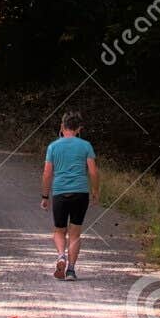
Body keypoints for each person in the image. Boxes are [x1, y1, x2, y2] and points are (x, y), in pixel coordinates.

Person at [40, 111, 99, 280]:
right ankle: (71, 270)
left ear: (62, 126)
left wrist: (45, 196)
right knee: (75, 233)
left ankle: (61, 256)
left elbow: (47, 173)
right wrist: (95, 191)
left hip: (60, 192)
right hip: (80, 193)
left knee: (59, 230)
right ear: (79, 129)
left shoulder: (53, 147)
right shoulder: (86, 146)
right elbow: (93, 172)